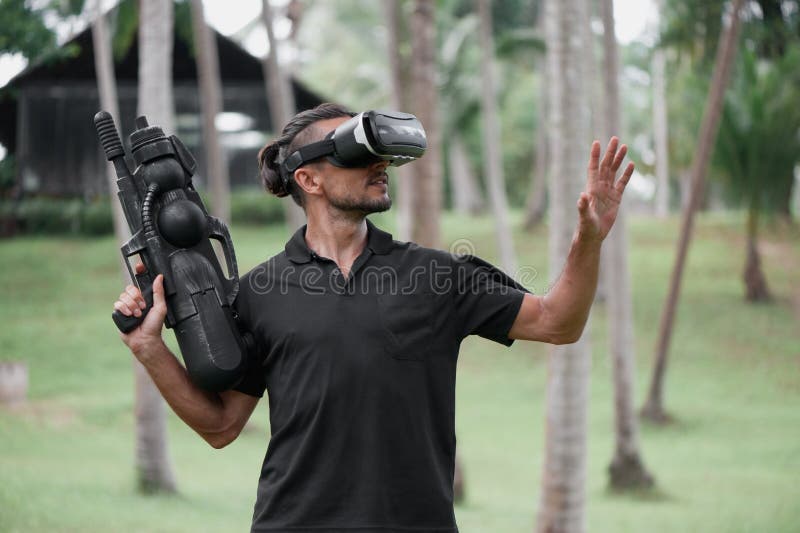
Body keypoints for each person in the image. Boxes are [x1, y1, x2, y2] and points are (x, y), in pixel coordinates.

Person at [113, 102, 634, 532]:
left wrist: (588, 240)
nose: (379, 163)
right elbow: (221, 426)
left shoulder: (437, 275)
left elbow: (557, 322)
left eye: (380, 153)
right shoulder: (258, 292)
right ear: (309, 179)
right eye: (356, 153)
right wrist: (149, 348)